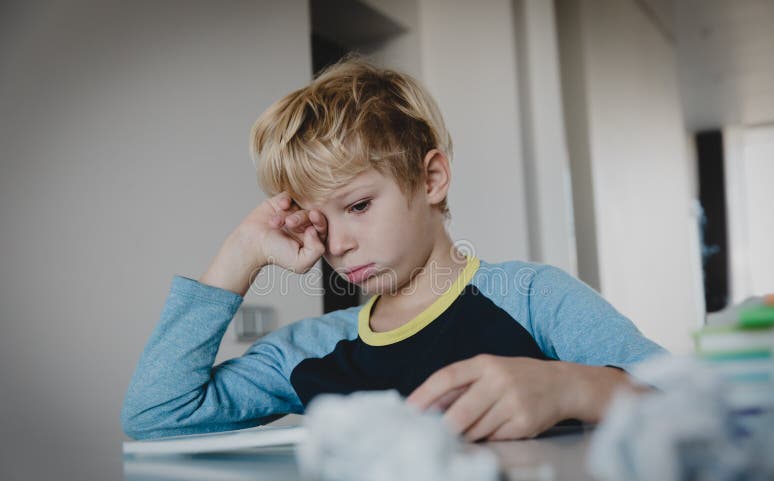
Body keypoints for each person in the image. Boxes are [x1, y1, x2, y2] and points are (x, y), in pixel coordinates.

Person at [121, 58, 663, 442]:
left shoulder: (530, 297)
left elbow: (696, 405)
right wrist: (239, 255)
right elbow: (156, 413)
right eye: (316, 220)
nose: (338, 242)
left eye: (357, 206)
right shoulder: (308, 352)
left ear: (430, 179)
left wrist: (574, 388)